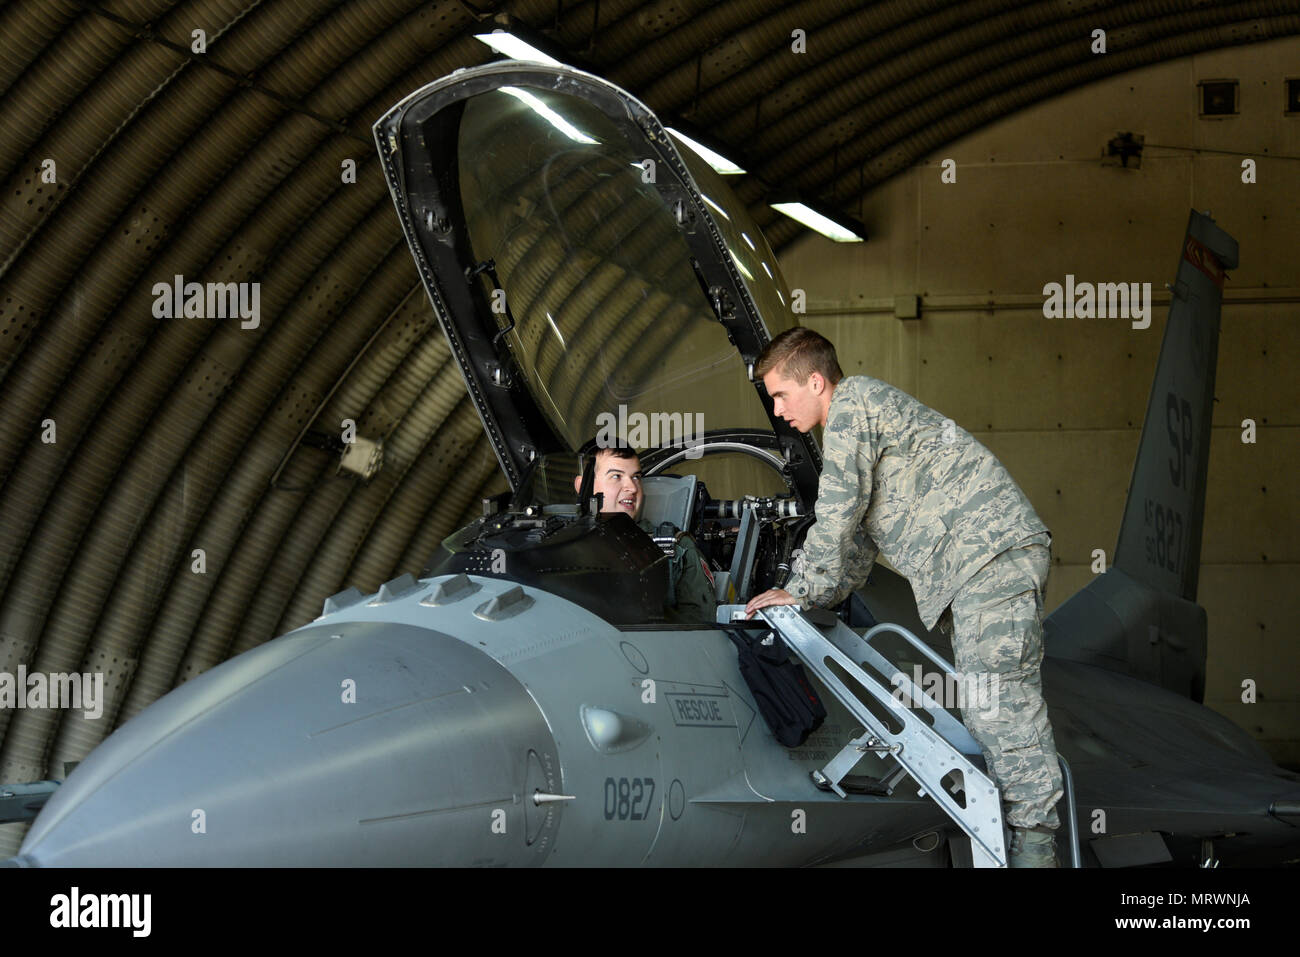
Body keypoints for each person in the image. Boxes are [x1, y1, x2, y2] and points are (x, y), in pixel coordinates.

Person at [744, 328, 1063, 868]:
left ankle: (1036, 850)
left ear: (816, 381)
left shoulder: (852, 408)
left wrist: (797, 590)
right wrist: (814, 594)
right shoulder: (865, 416)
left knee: (1000, 709)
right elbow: (860, 545)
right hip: (983, 564)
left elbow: (838, 514)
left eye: (780, 394)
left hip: (988, 560)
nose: (777, 410)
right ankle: (1031, 843)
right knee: (990, 706)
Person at [575, 444, 717, 624]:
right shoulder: (553, 544)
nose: (632, 488)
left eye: (636, 477)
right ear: (583, 486)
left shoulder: (675, 550)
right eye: (616, 476)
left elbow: (702, 629)